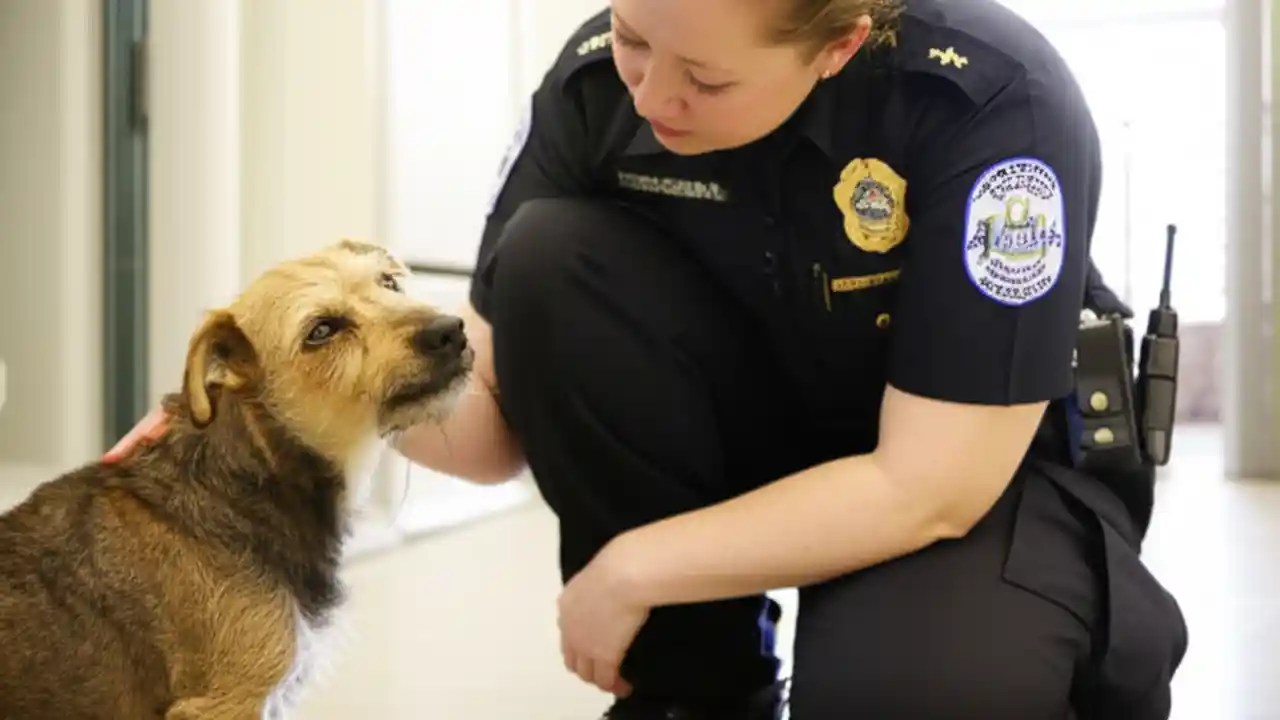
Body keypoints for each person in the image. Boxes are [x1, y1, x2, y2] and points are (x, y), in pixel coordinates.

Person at [107, 0, 1190, 717]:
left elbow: (926, 486)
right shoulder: (595, 86)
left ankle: (1074, 640)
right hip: (760, 435)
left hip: (968, 479)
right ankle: (696, 686)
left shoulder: (988, 102)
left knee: (915, 694)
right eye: (632, 37)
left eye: (704, 81)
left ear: (838, 42)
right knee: (544, 255)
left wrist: (631, 569)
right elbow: (487, 429)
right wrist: (281, 409)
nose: (648, 96)